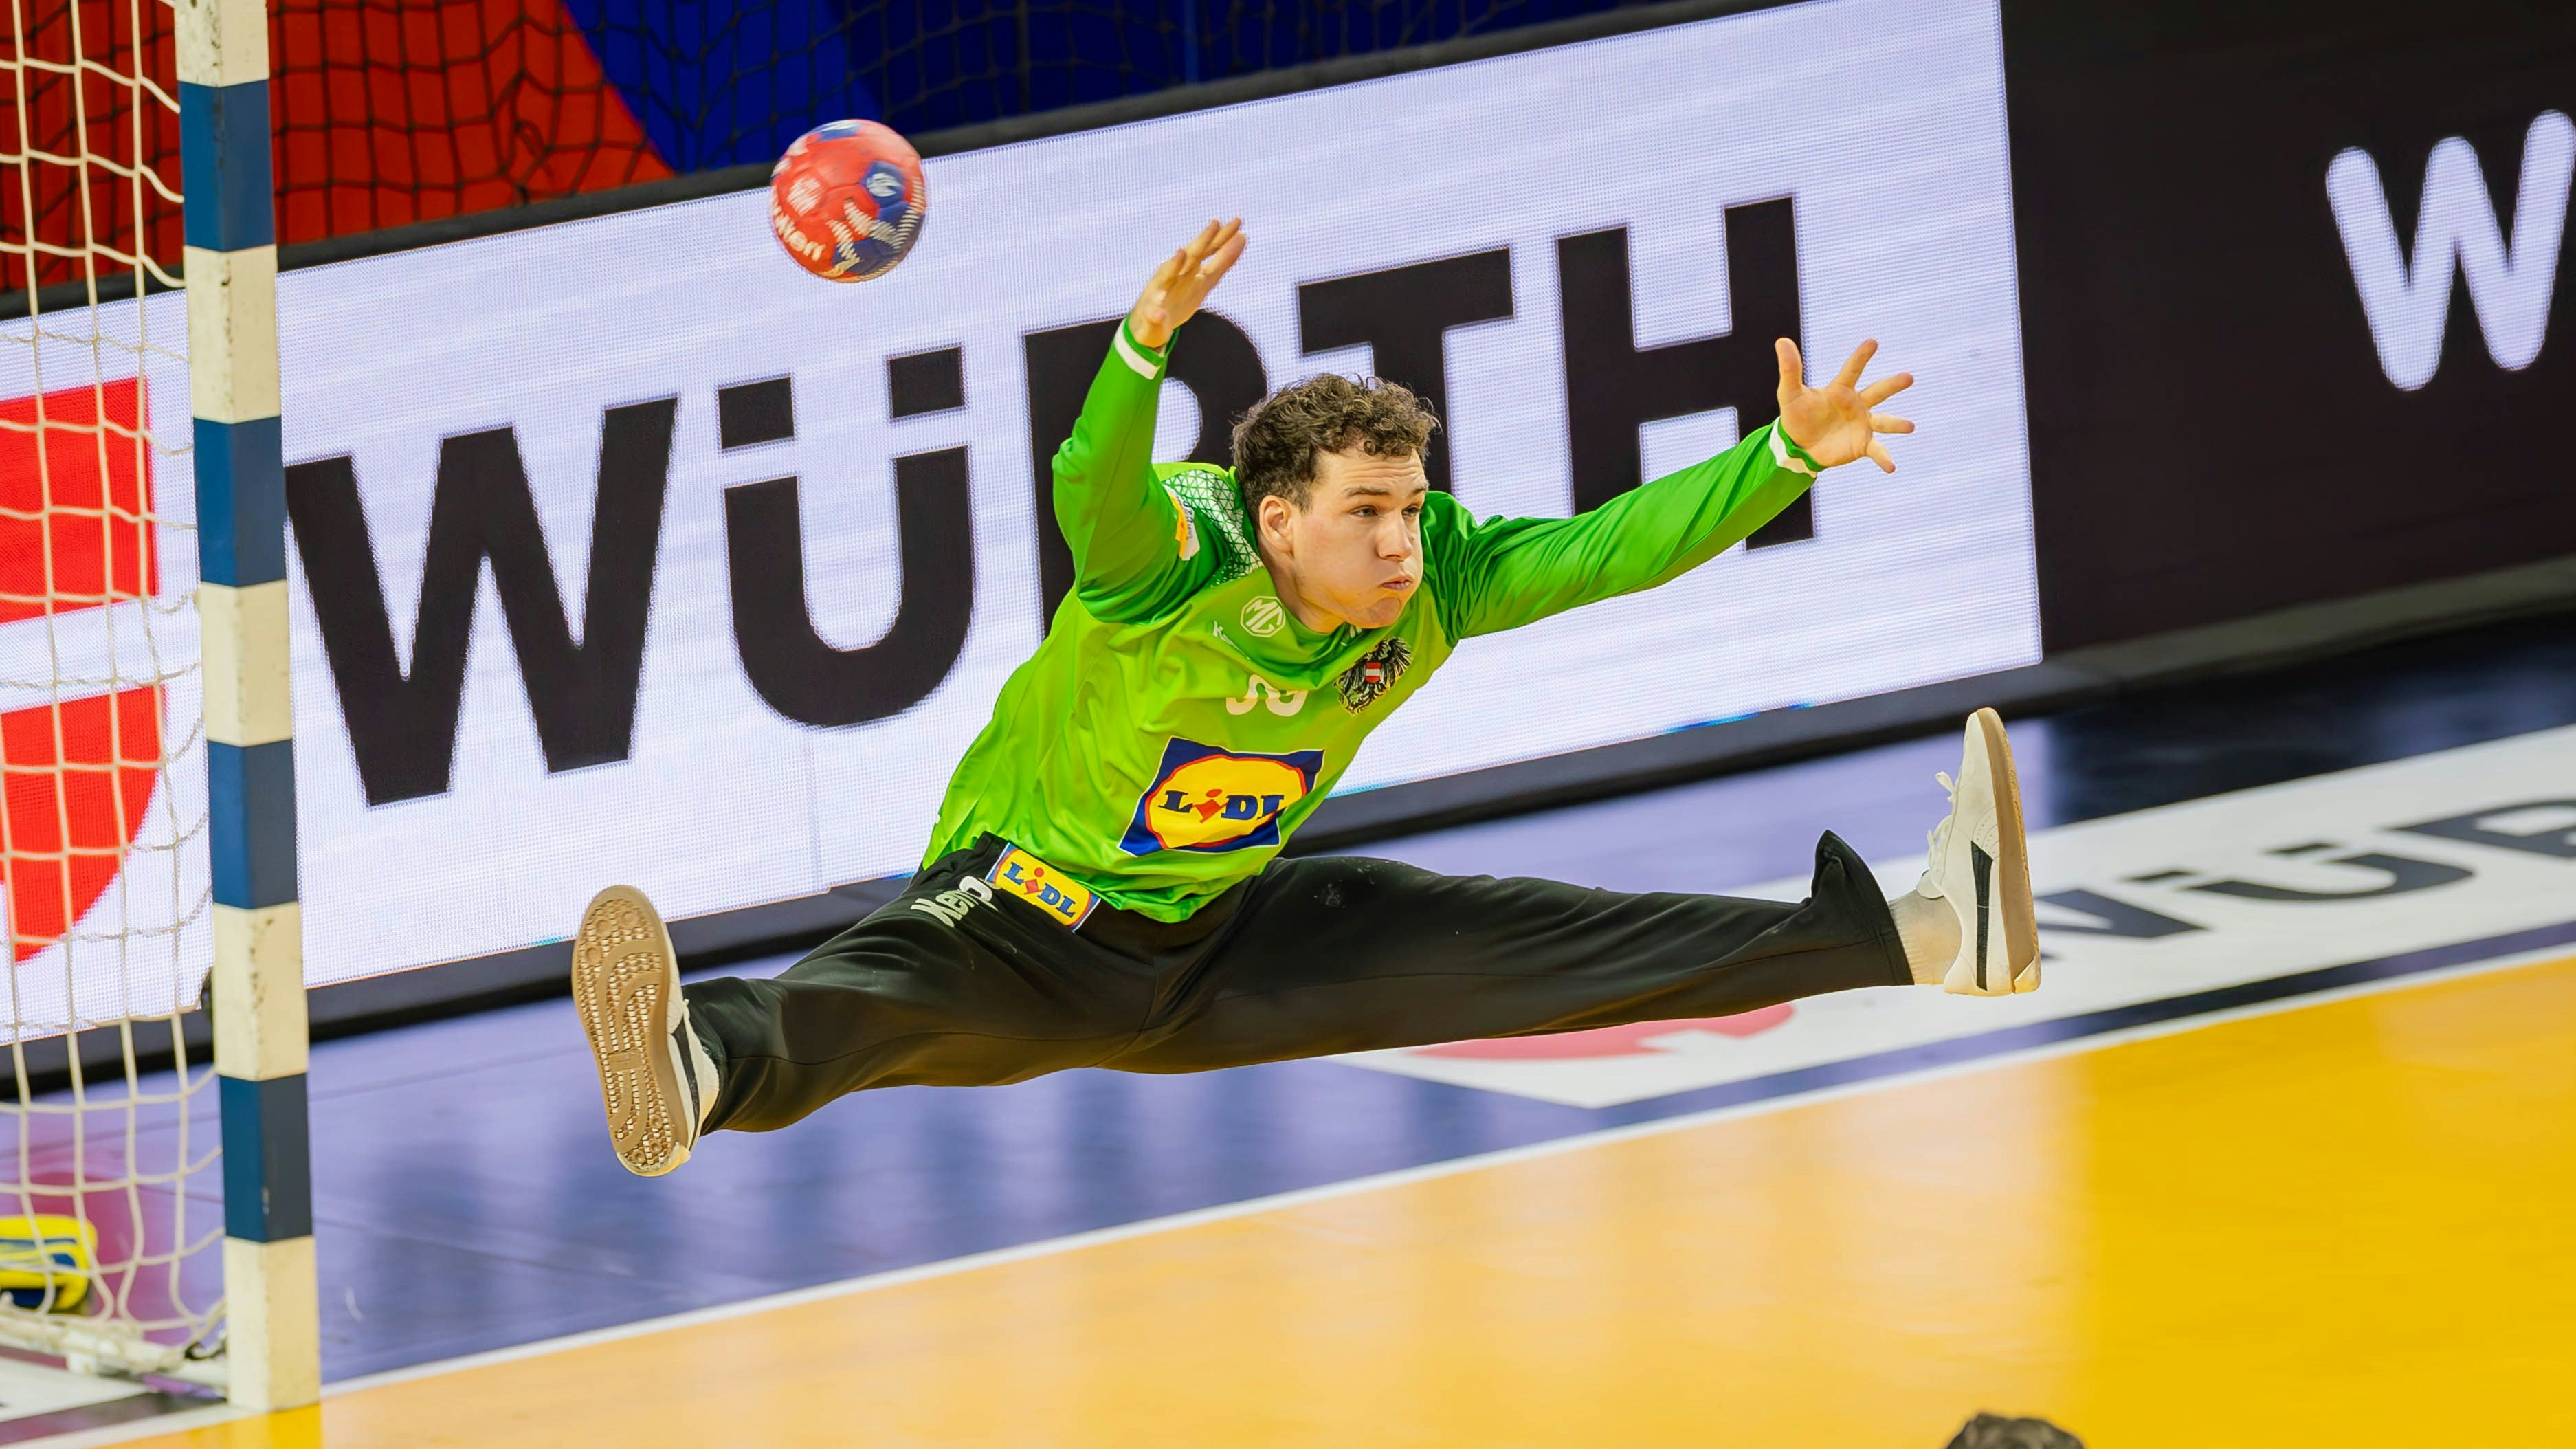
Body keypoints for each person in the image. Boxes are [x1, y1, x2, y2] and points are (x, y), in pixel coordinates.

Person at [571, 218, 2039, 1177]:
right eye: (1365, 513)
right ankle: (694, 1064)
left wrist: (1777, 461)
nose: (1400, 542)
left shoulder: (1441, 574)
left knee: (1542, 944)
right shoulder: (1174, 563)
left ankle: (1927, 935)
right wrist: (1142, 348)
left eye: (1408, 507)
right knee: (867, 991)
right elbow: (1090, 490)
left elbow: (1609, 549)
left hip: (1227, 940)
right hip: (1027, 922)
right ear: (1280, 518)